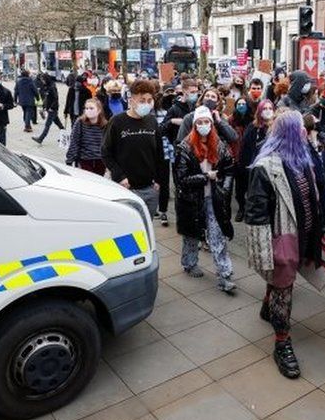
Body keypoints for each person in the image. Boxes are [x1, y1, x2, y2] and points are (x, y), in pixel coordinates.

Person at [245, 110, 322, 379]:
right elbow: (255, 214)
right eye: (301, 128)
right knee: (284, 288)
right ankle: (282, 342)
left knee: (281, 282)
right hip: (281, 238)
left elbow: (317, 186)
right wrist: (264, 253)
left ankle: (268, 305)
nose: (305, 131)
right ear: (290, 132)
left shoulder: (303, 159)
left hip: (302, 235)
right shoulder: (265, 166)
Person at [174, 106, 237, 293]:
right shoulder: (185, 147)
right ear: (194, 125)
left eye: (206, 122)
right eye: (199, 122)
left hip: (214, 198)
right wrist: (205, 177)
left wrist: (224, 189)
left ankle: (225, 274)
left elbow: (229, 169)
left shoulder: (218, 145)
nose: (203, 125)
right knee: (192, 234)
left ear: (211, 123)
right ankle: (189, 263)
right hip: (191, 199)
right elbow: (181, 179)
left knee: (217, 236)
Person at [101, 80, 163, 215]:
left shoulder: (152, 121)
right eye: (142, 100)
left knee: (146, 229)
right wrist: (120, 176)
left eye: (149, 100)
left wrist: (158, 180)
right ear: (132, 100)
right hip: (126, 188)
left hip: (150, 188)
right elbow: (106, 152)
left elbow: (159, 153)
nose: (146, 104)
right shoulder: (117, 122)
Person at [235, 99, 275, 222]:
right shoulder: (253, 127)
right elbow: (245, 148)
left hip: (269, 166)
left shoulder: (276, 127)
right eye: (264, 108)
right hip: (252, 165)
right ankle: (243, 208)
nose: (267, 111)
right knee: (245, 189)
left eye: (270, 108)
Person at [65, 98, 107, 175]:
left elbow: (108, 145)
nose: (88, 110)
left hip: (100, 161)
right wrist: (69, 160)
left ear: (99, 110)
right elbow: (74, 141)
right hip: (84, 160)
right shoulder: (80, 122)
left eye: (91, 108)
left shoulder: (105, 125)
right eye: (86, 108)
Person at [32, 73, 64, 144]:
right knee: (59, 124)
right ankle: (66, 136)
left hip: (52, 109)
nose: (42, 81)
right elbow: (46, 99)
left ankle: (41, 138)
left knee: (47, 125)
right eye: (41, 80)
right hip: (49, 108)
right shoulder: (46, 87)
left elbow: (55, 98)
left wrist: (51, 107)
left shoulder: (52, 87)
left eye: (43, 80)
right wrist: (43, 107)